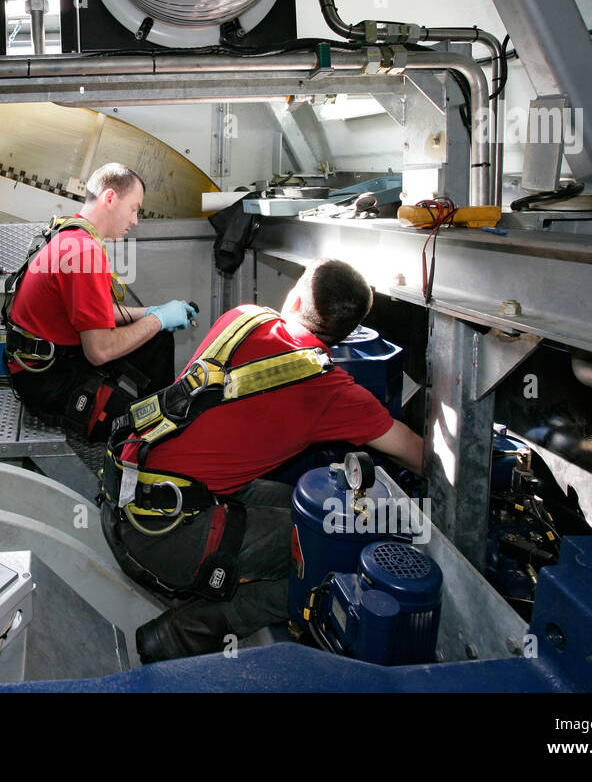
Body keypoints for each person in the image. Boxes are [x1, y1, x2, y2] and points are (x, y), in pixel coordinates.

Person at [99, 257, 424, 663]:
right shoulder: (332, 391)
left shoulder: (243, 317)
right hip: (161, 539)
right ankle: (185, 633)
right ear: (346, 334)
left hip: (124, 496)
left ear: (296, 295)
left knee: (297, 506)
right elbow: (415, 454)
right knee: (332, 552)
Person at [2, 162, 198, 441]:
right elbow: (99, 351)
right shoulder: (83, 252)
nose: (135, 221)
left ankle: (158, 415)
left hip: (48, 359)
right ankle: (151, 441)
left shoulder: (71, 235)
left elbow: (95, 313)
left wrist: (151, 313)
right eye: (134, 209)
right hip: (45, 379)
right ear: (109, 198)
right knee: (137, 428)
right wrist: (158, 319)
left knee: (158, 337)